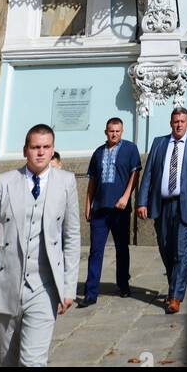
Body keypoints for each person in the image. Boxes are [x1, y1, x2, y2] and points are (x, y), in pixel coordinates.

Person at [0, 123, 80, 368]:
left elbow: (72, 236)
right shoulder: (5, 182)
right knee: (6, 361)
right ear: (25, 150)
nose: (41, 152)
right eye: (35, 147)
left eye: (46, 147)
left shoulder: (67, 182)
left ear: (53, 150)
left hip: (44, 287)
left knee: (32, 362)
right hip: (6, 285)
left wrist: (68, 286)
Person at [137, 107, 187, 314]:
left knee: (181, 251)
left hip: (184, 204)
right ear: (171, 123)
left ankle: (175, 296)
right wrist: (142, 202)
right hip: (161, 204)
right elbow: (149, 174)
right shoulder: (159, 143)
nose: (179, 124)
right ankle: (174, 284)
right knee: (165, 247)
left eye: (182, 121)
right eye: (176, 121)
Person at [79, 117, 142, 307]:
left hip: (120, 209)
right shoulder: (98, 153)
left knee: (122, 249)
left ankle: (123, 284)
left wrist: (126, 196)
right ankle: (91, 293)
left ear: (122, 132)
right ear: (106, 132)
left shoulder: (130, 149)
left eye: (117, 131)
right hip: (99, 209)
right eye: (111, 131)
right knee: (95, 251)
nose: (114, 134)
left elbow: (135, 173)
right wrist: (88, 203)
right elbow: (92, 180)